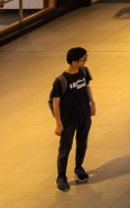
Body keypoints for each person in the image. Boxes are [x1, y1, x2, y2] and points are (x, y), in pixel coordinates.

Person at [50, 46, 96, 191]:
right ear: (74, 61)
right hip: (69, 119)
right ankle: (61, 176)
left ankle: (78, 167)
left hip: (84, 115)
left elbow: (87, 86)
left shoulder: (83, 71)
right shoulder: (61, 80)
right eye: (83, 58)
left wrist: (92, 103)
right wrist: (58, 123)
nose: (86, 60)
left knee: (82, 143)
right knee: (65, 148)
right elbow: (55, 103)